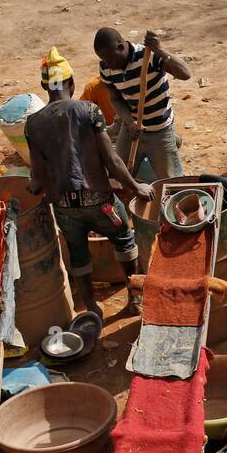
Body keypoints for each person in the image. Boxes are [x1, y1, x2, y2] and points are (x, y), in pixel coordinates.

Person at [25, 47, 153, 319]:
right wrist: (134, 186)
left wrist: (35, 186)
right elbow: (112, 160)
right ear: (71, 83)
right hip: (99, 202)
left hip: (64, 206)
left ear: (45, 86)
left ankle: (91, 306)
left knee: (77, 251)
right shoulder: (89, 111)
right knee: (124, 238)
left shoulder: (33, 124)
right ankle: (135, 301)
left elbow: (37, 175)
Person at [94, 27, 190, 180]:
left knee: (171, 181)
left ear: (121, 47)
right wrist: (130, 122)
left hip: (160, 130)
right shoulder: (105, 66)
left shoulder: (148, 56)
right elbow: (115, 99)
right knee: (119, 178)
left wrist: (160, 51)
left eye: (110, 59)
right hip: (131, 130)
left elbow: (185, 74)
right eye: (103, 59)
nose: (107, 64)